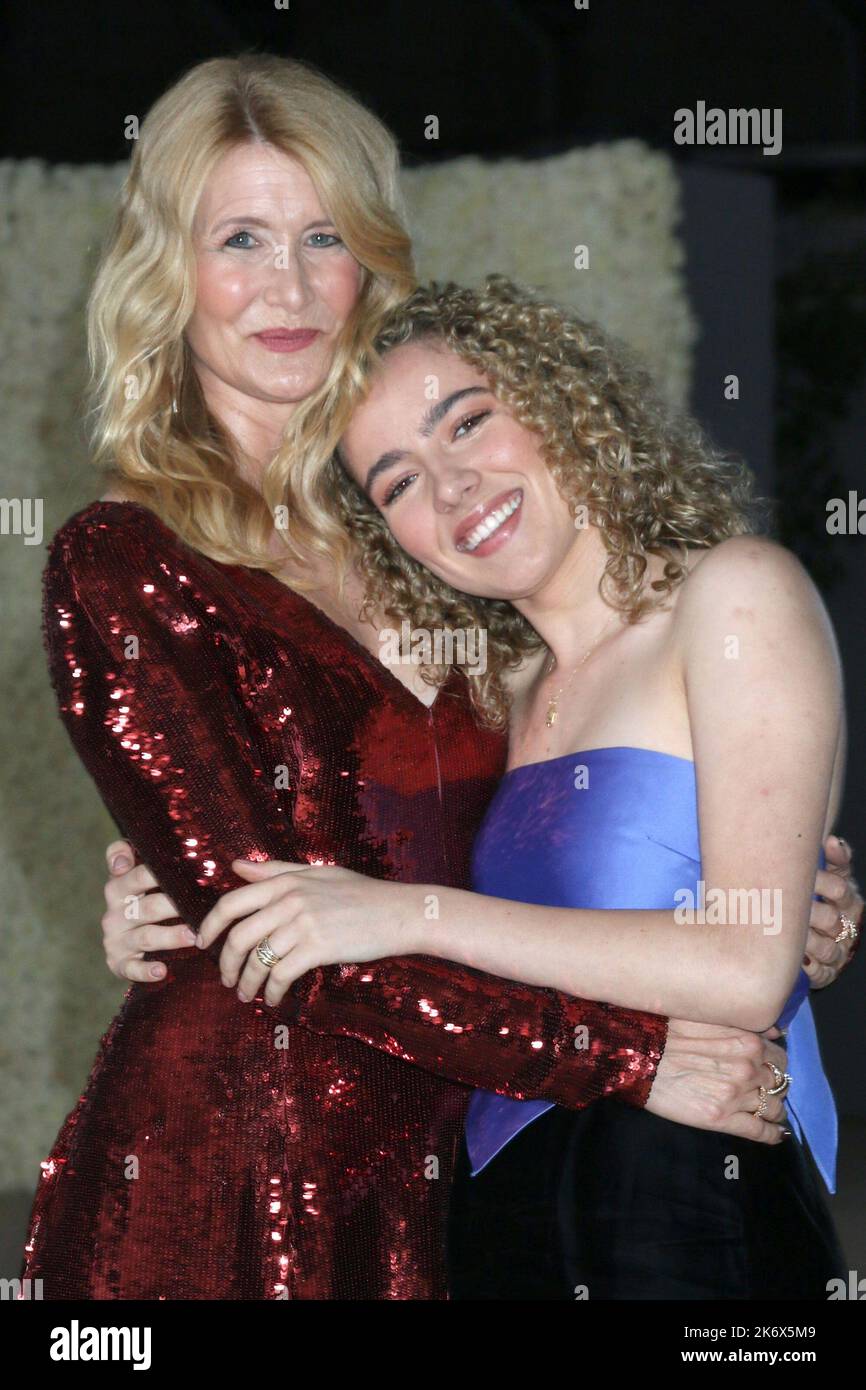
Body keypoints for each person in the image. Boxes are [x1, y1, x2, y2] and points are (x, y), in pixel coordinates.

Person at [24, 53, 814, 1303]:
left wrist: (773, 890)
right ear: (168, 269)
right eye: (239, 236)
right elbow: (291, 934)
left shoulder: (440, 546)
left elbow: (554, 823)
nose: (287, 285)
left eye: (321, 235)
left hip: (450, 1164)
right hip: (239, 1157)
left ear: (369, 258)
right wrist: (620, 1056)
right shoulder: (126, 558)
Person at [168, 276, 861, 1298]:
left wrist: (411, 914)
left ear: (553, 399)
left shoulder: (729, 594)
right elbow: (320, 860)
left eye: (466, 423)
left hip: (691, 1187)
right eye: (398, 481)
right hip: (492, 1206)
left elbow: (745, 966)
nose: (450, 490)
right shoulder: (483, 699)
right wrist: (161, 891)